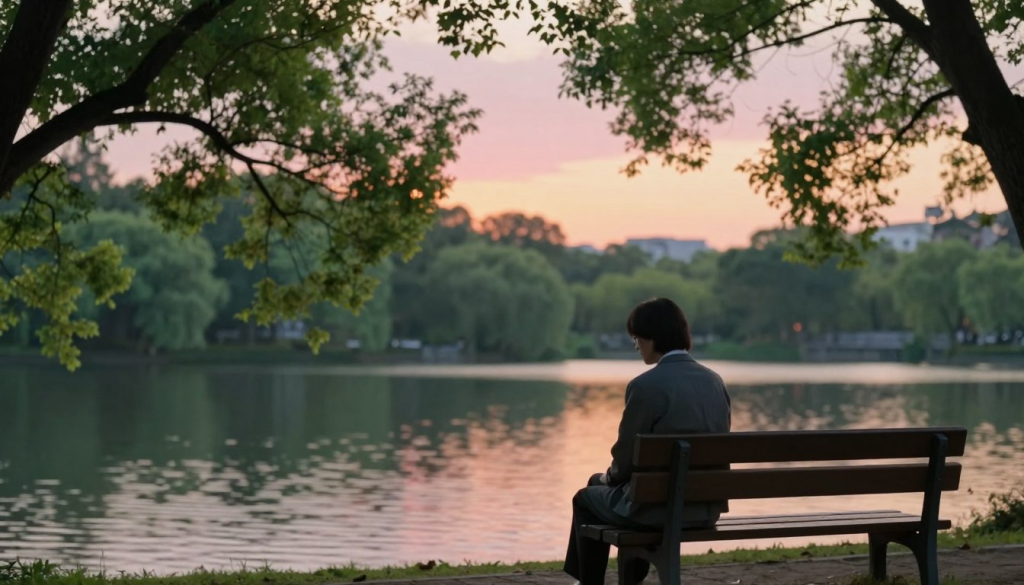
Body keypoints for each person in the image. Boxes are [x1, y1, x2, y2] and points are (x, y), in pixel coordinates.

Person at [563, 297, 731, 585]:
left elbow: (625, 462)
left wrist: (608, 477)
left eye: (637, 337)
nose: (636, 345)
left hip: (658, 509)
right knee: (620, 490)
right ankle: (630, 579)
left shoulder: (645, 385)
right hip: (705, 507)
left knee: (586, 496)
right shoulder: (714, 381)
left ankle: (588, 582)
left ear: (652, 338)